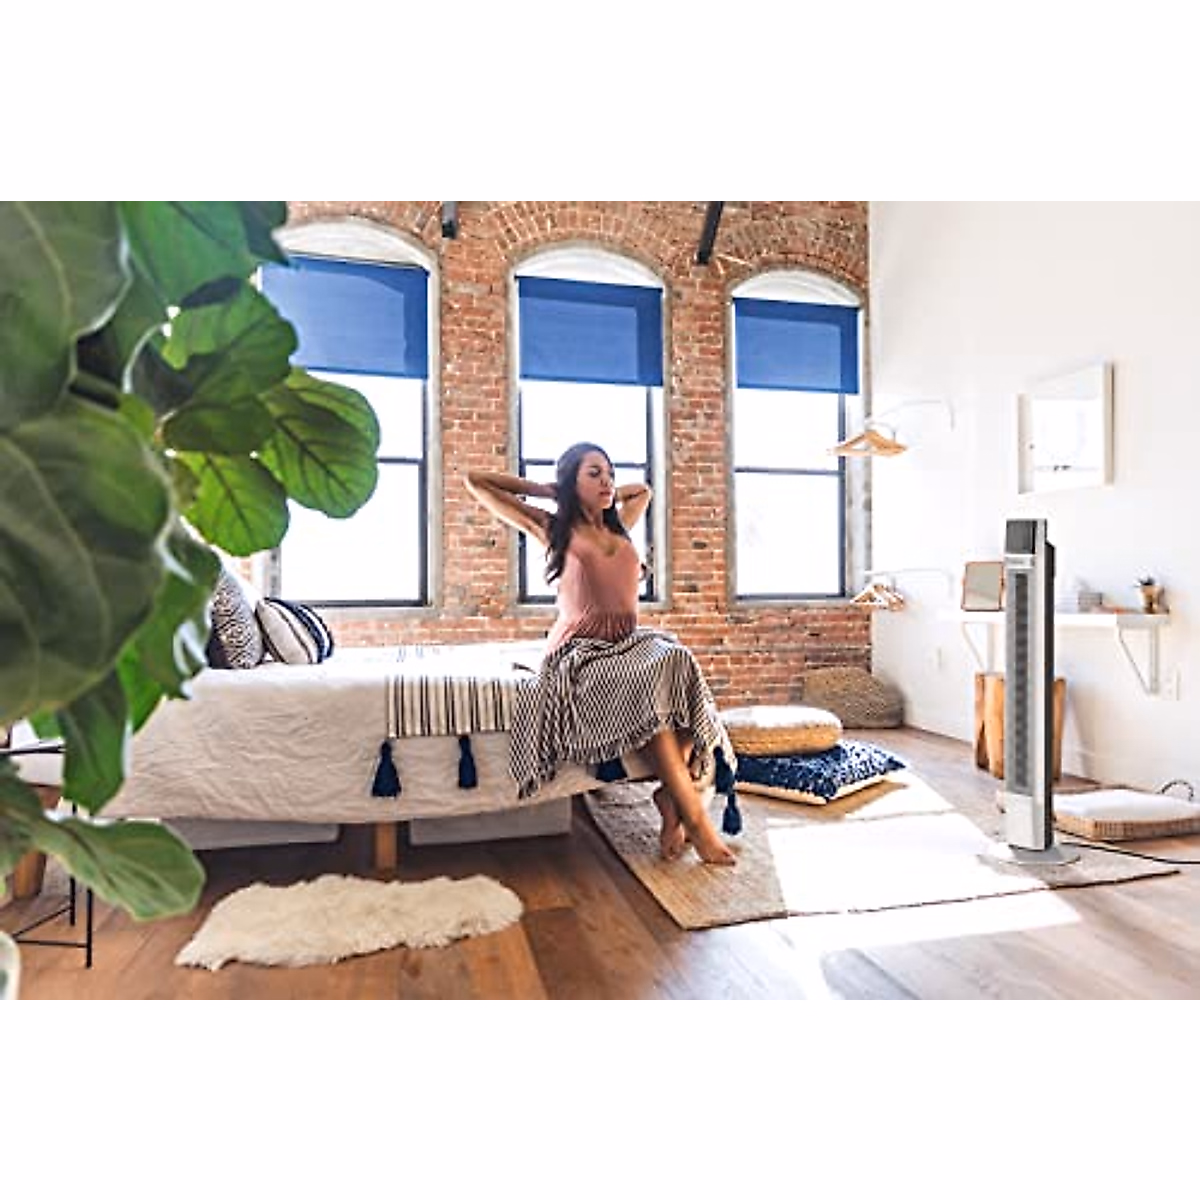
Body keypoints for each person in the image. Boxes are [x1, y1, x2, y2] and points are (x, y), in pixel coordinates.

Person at [466, 443, 737, 865]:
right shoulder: (553, 529)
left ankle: (671, 796)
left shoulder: (620, 526)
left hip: (626, 645)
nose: (608, 481)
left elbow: (642, 491)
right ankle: (697, 822)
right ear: (571, 481)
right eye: (594, 473)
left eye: (609, 473)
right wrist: (548, 490)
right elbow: (477, 482)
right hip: (580, 654)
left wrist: (598, 490)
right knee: (651, 682)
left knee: (677, 662)